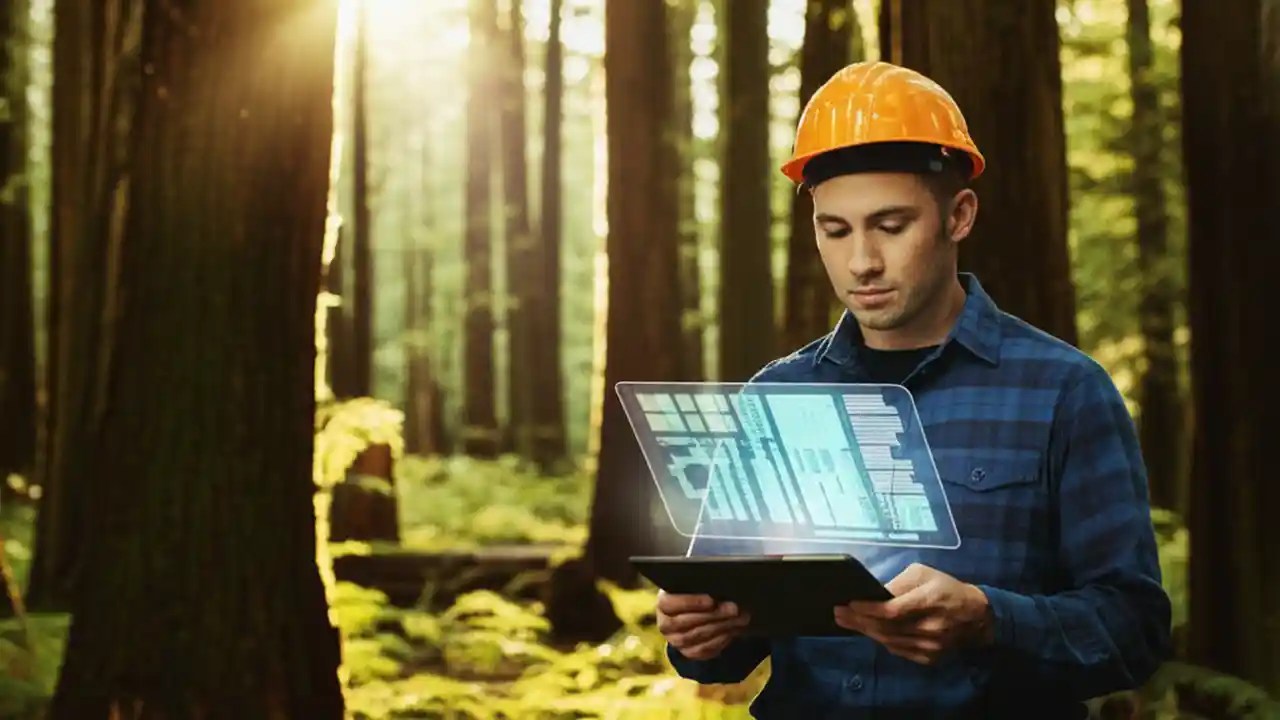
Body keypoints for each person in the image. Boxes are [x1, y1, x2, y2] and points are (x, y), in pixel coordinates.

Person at [654, 61, 1172, 718]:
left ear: (958, 215)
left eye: (891, 225)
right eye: (834, 230)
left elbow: (1137, 630)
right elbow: (714, 653)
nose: (861, 261)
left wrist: (990, 619)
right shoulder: (777, 398)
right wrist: (699, 631)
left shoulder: (1064, 392)